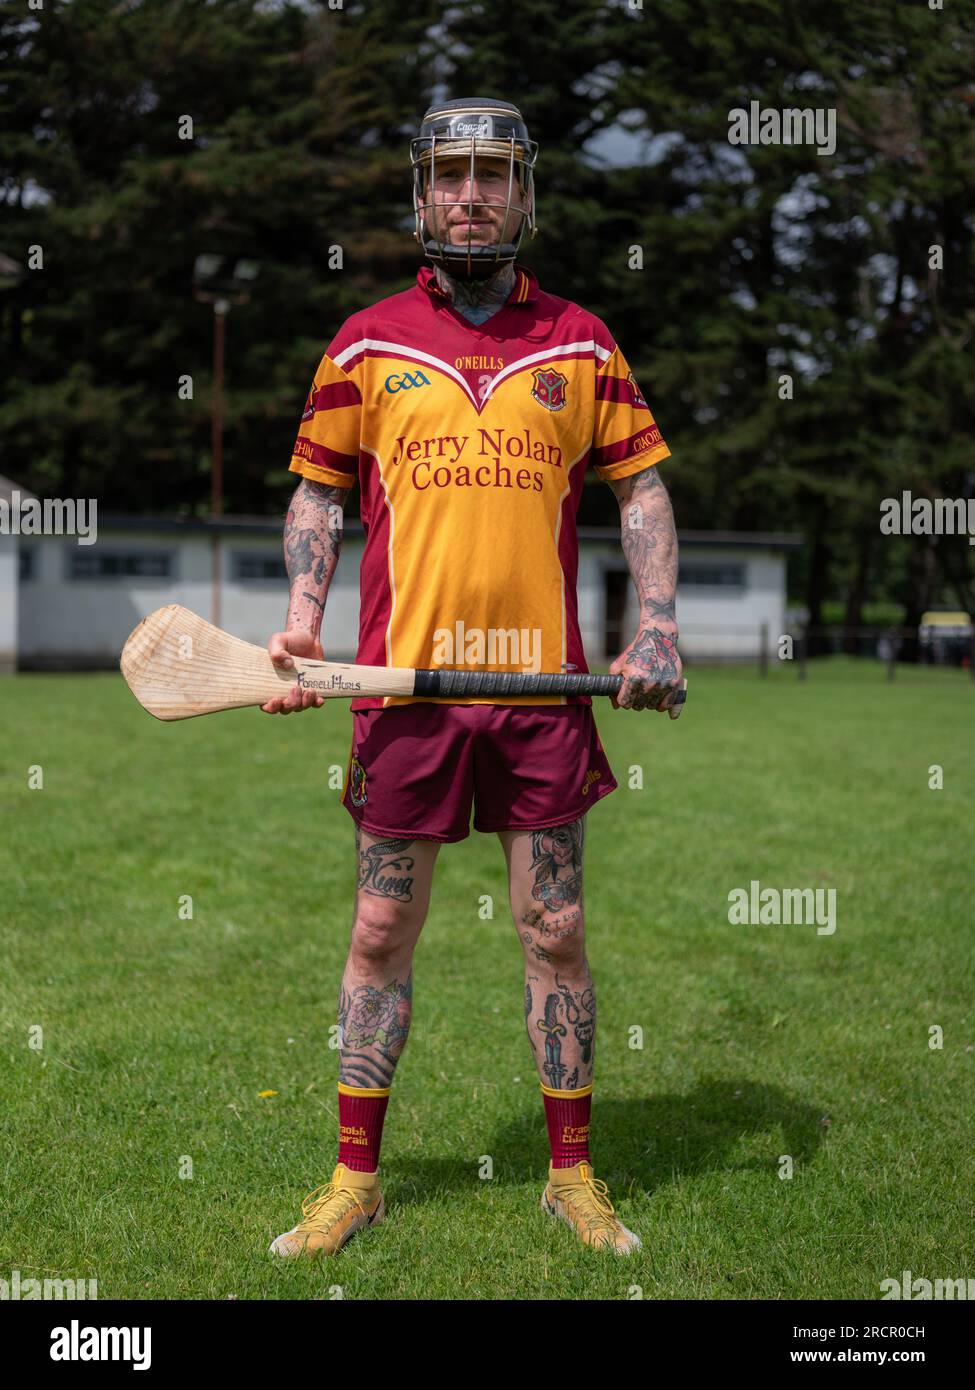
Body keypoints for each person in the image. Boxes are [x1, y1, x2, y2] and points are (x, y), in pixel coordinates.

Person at [262, 98, 682, 1258]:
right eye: (452, 175)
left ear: (525, 190)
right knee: (381, 928)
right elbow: (319, 492)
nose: (471, 196)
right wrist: (303, 620)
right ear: (421, 190)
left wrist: (655, 625)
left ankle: (573, 1175)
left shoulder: (585, 341)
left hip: (544, 695)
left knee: (555, 927)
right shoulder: (366, 341)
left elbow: (639, 487)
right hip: (404, 695)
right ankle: (354, 1180)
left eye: (494, 175)